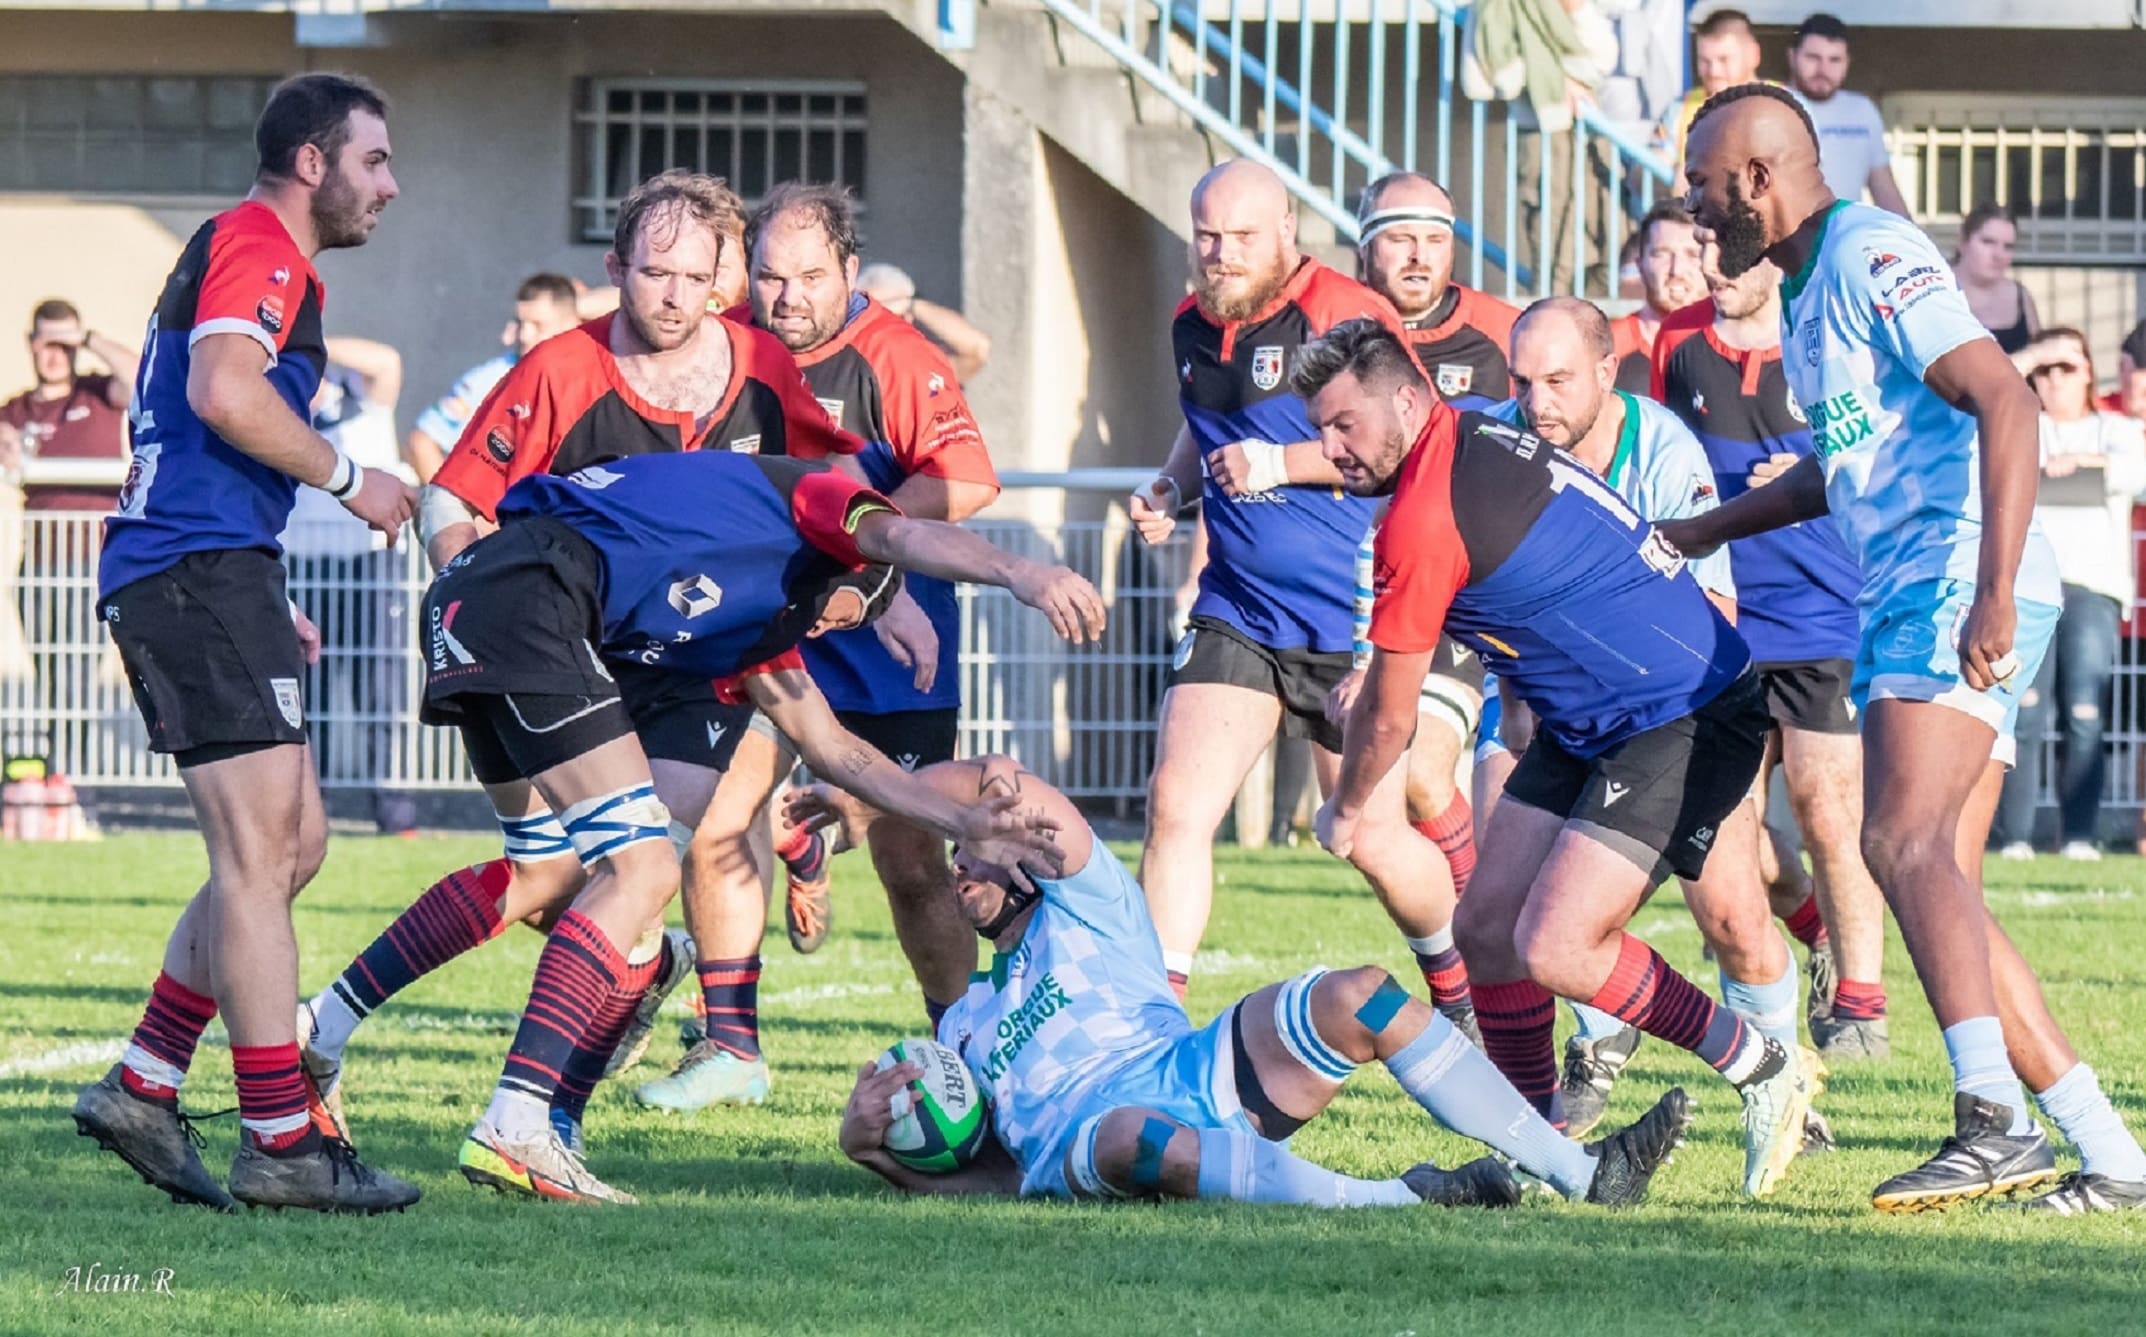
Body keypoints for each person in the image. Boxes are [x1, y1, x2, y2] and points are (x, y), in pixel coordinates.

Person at [294, 171, 891, 1146]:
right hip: (556, 644)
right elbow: (451, 495)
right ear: (615, 269)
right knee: (589, 875)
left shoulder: (761, 370)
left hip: (689, 661)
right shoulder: (565, 366)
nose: (672, 293)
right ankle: (515, 1092)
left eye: (695, 274)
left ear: (721, 277)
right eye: (653, 271)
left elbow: (841, 493)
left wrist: (862, 590)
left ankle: (501, 1096)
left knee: (603, 868)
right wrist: (485, 592)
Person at [1671, 81, 2146, 1213]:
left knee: (1895, 839)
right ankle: (2112, 1155)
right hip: (1909, 584)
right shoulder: (1799, 292)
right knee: (1942, 881)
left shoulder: (1870, 250)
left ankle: (1989, 1120)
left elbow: (2007, 400)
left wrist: (1988, 592)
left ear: (1754, 179)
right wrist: (1697, 528)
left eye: (1702, 186)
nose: (1694, 210)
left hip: (1950, 574)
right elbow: (1836, 470)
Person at [423, 448, 1102, 1203]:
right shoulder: (814, 500)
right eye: (847, 614)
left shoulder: (763, 626)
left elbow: (836, 749)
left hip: (483, 595)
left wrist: (962, 816)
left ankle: (544, 1120)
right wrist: (1026, 574)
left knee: (590, 879)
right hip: (533, 591)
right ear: (848, 572)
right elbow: (907, 537)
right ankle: (515, 1117)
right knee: (640, 872)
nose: (830, 627)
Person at [1304, 318, 1809, 1199]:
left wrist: (1345, 808)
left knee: (1557, 943)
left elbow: (1387, 717)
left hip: (1678, 708)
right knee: (1486, 931)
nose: (1329, 447)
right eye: (1319, 428)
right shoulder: (1469, 436)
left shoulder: (1424, 511)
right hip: (1593, 714)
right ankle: (1538, 1151)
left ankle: (1765, 1064)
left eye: (1344, 424)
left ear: (1410, 399)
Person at [70, 72, 421, 1215]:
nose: (390, 183)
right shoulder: (265, 244)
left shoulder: (254, 249)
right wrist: (355, 475)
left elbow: (192, 406)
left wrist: (261, 588)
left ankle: (145, 1079)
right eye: (374, 160)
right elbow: (226, 391)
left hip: (214, 569)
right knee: (261, 860)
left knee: (293, 842)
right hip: (194, 571)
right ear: (312, 162)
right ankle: (282, 1138)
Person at [812, 755, 1693, 1209]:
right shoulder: (960, 1025)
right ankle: (1398, 1198)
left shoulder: (1089, 901)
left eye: (971, 843)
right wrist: (876, 1152)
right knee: (1131, 1135)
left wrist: (870, 796)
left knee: (1361, 993)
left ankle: (1584, 1174)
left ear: (1025, 854)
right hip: (1087, 1141)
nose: (959, 860)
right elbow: (1001, 1180)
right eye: (953, 854)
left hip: (1190, 1068)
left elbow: (1000, 785)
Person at [631, 183, 1004, 1113]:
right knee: (714, 822)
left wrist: (866, 549)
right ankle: (731, 1046)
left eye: (807, 277)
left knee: (913, 862)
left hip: (886, 633)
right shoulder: (728, 345)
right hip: (764, 631)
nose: (786, 296)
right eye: (767, 276)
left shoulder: (893, 355)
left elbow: (968, 478)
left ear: (849, 271)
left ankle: (963, 1048)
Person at [1127, 160, 1473, 1039]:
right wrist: (1171, 490)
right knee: (1175, 807)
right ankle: (1152, 1027)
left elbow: (1410, 440)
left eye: (1242, 238)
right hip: (1238, 606)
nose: (1221, 254)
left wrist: (1280, 464)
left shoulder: (1342, 313)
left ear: (1288, 231)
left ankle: (1463, 992)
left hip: (1350, 615)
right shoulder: (1189, 323)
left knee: (1369, 837)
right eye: (1207, 236)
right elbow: (1205, 423)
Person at [1484, 297, 1824, 1149]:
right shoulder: (1500, 435)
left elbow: (1706, 612)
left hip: (1680, 707)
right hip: (1567, 708)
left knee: (1734, 918)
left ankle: (1783, 1079)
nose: (1535, 403)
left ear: (1609, 371)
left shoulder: (1666, 450)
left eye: (1558, 381)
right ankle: (1554, 1110)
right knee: (1499, 914)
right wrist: (1518, 700)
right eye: (1522, 381)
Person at [1651, 246, 1891, 1063]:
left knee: (1829, 809)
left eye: (1727, 254)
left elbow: (1889, 452)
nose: (1709, 266)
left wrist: (1820, 472)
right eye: (1698, 250)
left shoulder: (1826, 342)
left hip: (1825, 610)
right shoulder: (1675, 346)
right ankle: (1804, 935)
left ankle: (1860, 1007)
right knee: (1729, 830)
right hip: (1723, 615)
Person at [1344, 169, 1520, 978]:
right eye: (1401, 237)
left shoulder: (1503, 334)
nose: (1419, 256)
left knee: (1419, 774)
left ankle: (1486, 954)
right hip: (1354, 593)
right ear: (1365, 244)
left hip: (1472, 597)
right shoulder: (1333, 332)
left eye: (1437, 239)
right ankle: (1465, 985)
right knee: (1370, 833)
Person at [1993, 329, 2146, 861]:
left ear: (2089, 373)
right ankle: (2014, 836)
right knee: (2024, 709)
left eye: (2068, 367)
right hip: (2026, 588)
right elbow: (1973, 406)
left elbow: (2136, 473)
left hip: (2094, 587)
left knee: (2084, 711)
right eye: (2046, 369)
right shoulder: (2018, 427)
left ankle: (2079, 834)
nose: (2056, 380)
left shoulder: (2118, 431)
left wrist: (2085, 465)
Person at [280, 336, 418, 834]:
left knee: (377, 689)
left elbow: (389, 361)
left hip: (367, 565)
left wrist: (312, 339)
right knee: (306, 694)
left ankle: (394, 810)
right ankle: (312, 810)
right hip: (304, 564)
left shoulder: (360, 392)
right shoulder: (278, 400)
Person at [0, 299, 138, 765]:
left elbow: (141, 378)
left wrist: (90, 338)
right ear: (30, 346)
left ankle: (75, 778)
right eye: (46, 343)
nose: (55, 354)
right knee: (49, 673)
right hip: (38, 566)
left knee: (78, 673)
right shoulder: (17, 410)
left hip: (90, 564)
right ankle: (56, 774)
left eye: (64, 343)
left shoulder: (98, 394)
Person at [402, 274, 583, 482]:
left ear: (572, 327)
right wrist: (448, 509)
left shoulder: (593, 377)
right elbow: (422, 441)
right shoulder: (490, 380)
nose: (524, 335)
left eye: (537, 325)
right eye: (520, 323)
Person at [1785, 14, 1910, 217]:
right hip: (1787, 240)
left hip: (1845, 236)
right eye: (1813, 58)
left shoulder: (1862, 109)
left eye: (1834, 60)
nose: (1823, 69)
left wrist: (1912, 239)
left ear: (1847, 63)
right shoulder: (1773, 105)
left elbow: (1884, 188)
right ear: (1792, 56)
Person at [1657, 9, 1764, 188]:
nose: (1714, 72)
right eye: (1705, 61)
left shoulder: (1787, 105)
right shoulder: (1680, 108)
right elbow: (1645, 170)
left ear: (1753, 55)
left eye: (1724, 60)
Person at [1610, 200, 1704, 393]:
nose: (1676, 270)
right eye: (1662, 254)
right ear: (1640, 265)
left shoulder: (1735, 346)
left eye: (1692, 255)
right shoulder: (1609, 346)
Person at [856, 262, 992, 384]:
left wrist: (912, 305)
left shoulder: (916, 369)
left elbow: (978, 349)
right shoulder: (845, 363)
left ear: (909, 318)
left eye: (894, 316)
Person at [1952, 203, 2039, 356]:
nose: (1998, 255)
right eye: (1988, 242)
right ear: (1963, 241)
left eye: (2008, 246)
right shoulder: (1937, 291)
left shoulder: (2021, 298)